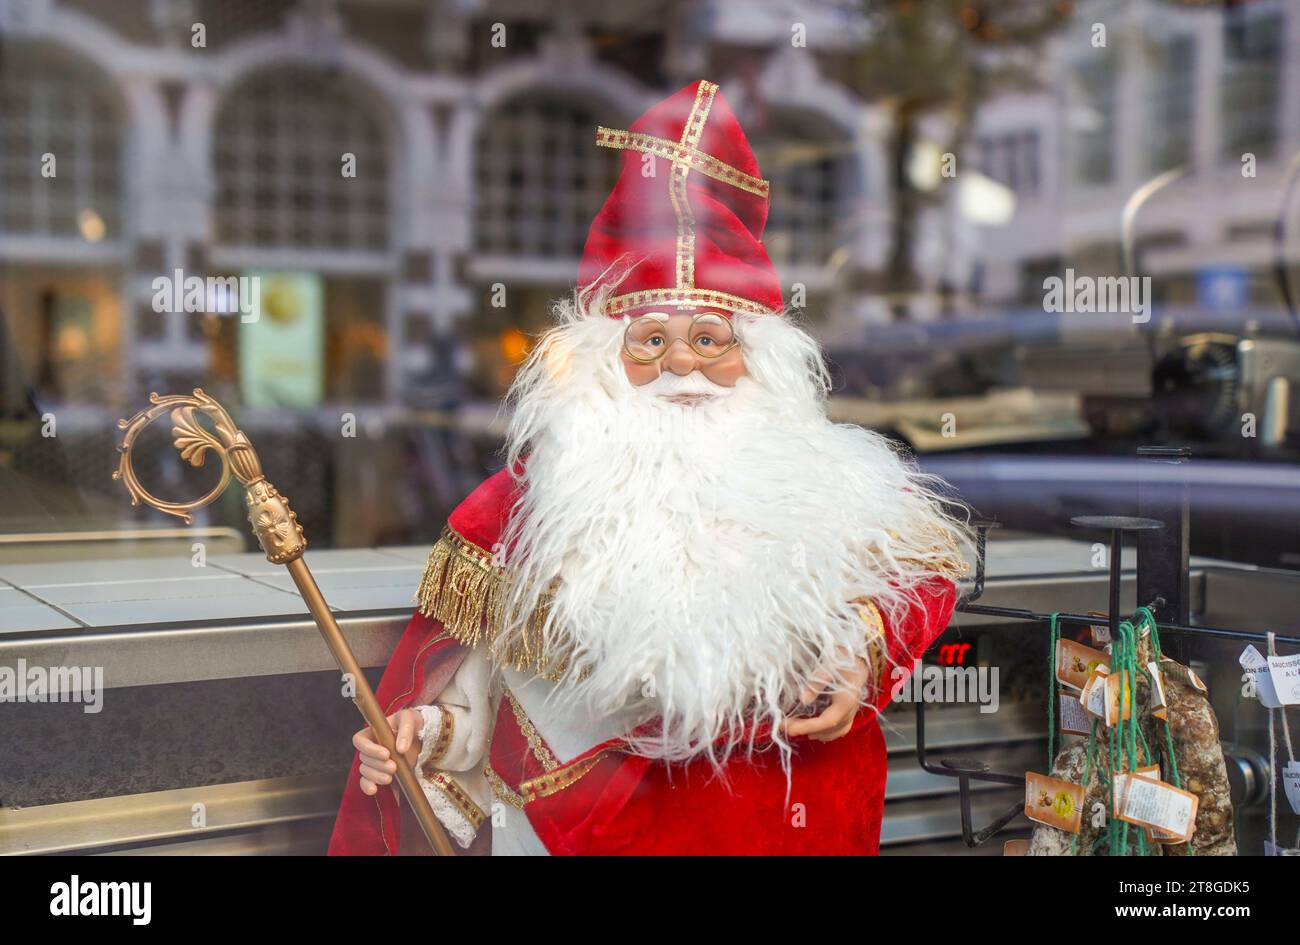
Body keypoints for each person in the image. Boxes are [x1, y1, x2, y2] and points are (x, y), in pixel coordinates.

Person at [329, 80, 971, 856]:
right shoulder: (517, 513)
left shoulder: (834, 483)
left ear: (759, 361)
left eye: (709, 340)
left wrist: (861, 648)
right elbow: (479, 711)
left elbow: (926, 570)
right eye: (650, 342)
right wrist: (416, 734)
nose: (682, 368)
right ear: (603, 362)